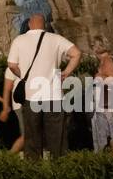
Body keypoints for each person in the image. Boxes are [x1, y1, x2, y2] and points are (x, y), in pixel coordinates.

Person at [7, 14, 80, 159]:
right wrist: (66, 72)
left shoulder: (19, 40)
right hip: (53, 95)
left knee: (32, 139)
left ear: (29, 24)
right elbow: (76, 53)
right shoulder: (56, 39)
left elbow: (11, 65)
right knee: (56, 138)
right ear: (45, 25)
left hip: (31, 95)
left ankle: (35, 173)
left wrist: (23, 75)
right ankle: (59, 169)